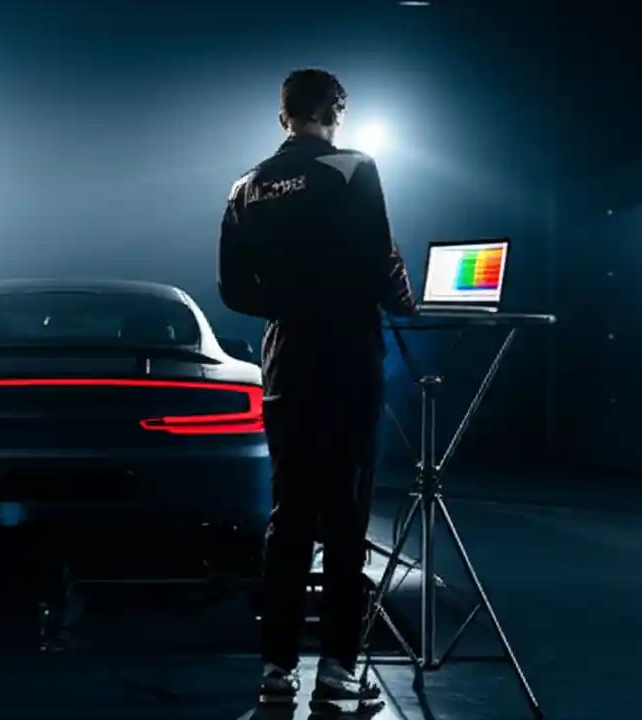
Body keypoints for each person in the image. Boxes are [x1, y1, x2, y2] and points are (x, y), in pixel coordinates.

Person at [217, 67, 416, 709]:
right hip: (348, 361)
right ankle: (336, 669)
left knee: (291, 516)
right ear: (337, 111)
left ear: (283, 117)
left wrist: (291, 302)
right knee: (346, 517)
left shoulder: (245, 186)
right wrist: (402, 303)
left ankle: (276, 668)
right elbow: (381, 255)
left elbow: (234, 290)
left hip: (287, 368)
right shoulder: (354, 169)